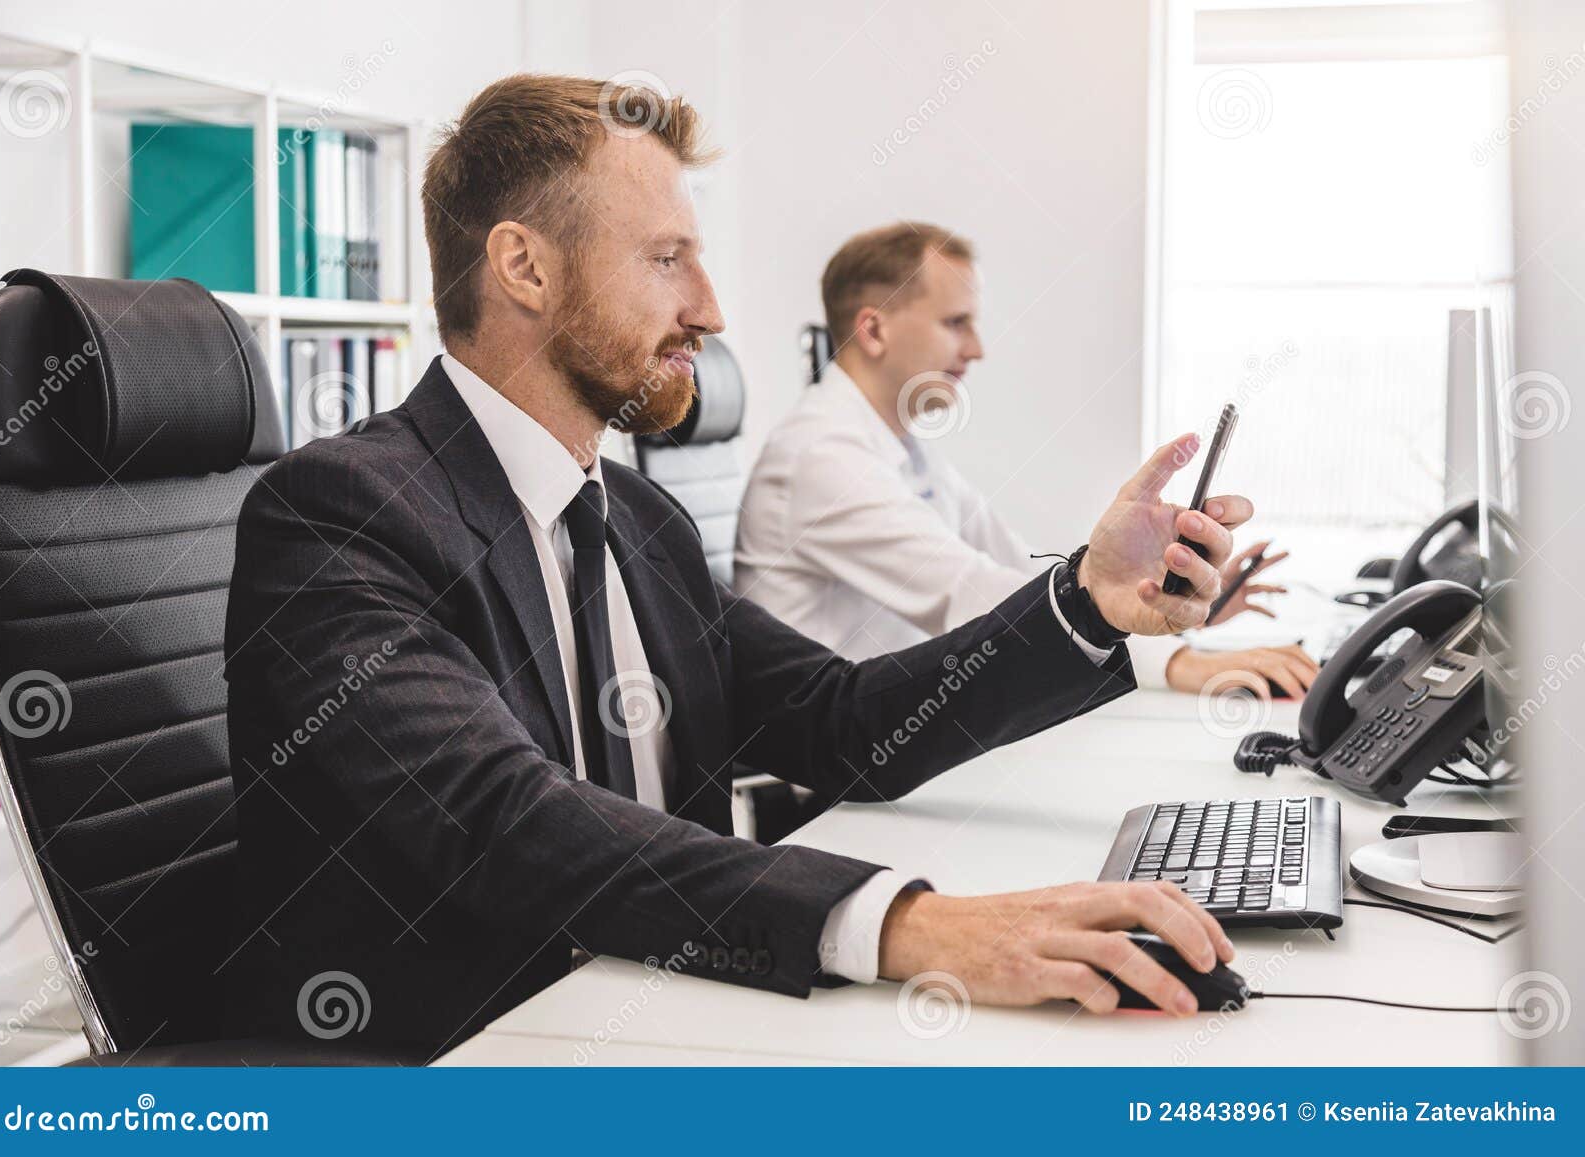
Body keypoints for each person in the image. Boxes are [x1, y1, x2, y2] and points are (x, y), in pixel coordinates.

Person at [223, 75, 1242, 1058]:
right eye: (667, 258)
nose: (710, 309)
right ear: (525, 269)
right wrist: (905, 926)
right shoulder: (339, 515)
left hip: (672, 1000)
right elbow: (500, 819)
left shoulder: (638, 520)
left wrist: (1086, 604)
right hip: (467, 1050)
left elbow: (844, 723)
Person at [736, 222, 1316, 701]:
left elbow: (1016, 569)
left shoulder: (898, 448)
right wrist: (1172, 659)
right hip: (828, 789)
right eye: (955, 322)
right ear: (874, 329)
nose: (977, 348)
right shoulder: (821, 456)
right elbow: (967, 596)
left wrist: (1156, 605)